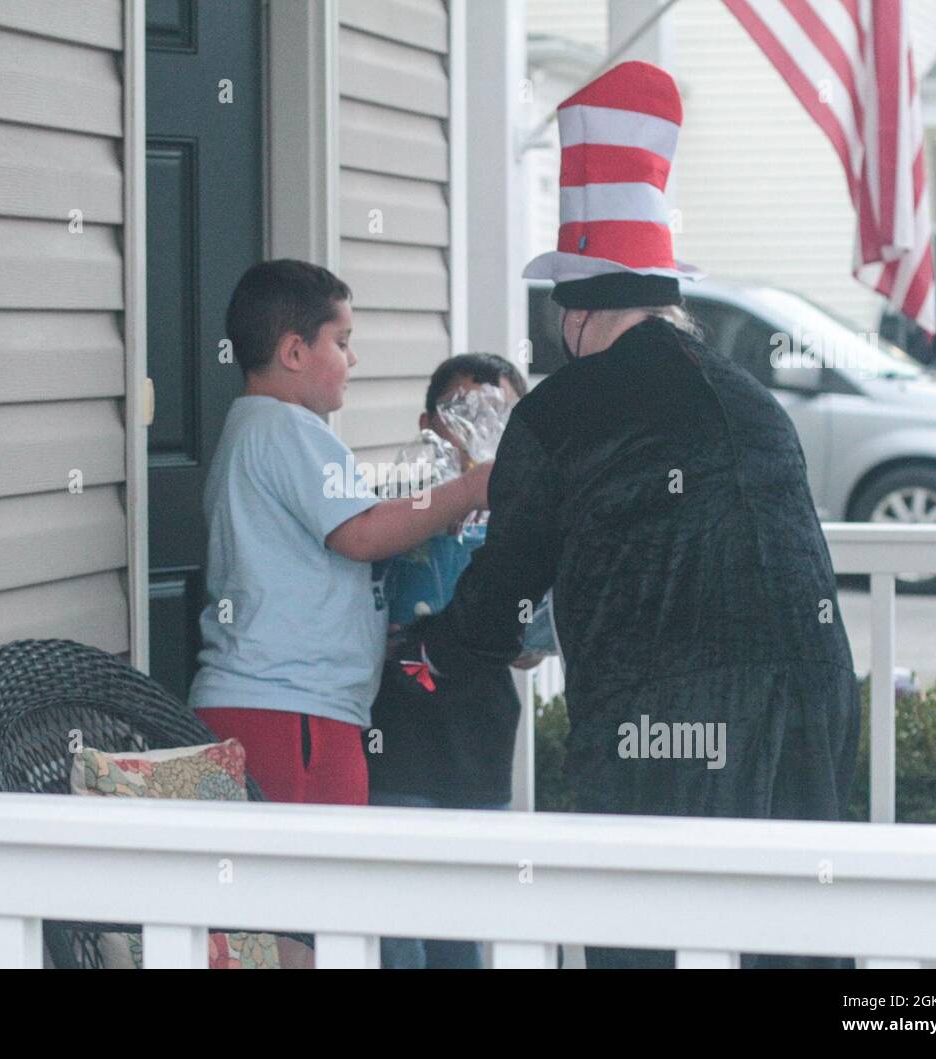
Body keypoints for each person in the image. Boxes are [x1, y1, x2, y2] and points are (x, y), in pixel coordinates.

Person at [400, 62, 860, 969]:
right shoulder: (750, 398)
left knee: (639, 934)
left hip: (667, 724)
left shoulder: (560, 411)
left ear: (574, 308)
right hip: (816, 699)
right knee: (794, 944)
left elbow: (497, 600)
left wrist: (428, 649)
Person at [188, 260, 492, 808]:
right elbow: (363, 534)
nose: (352, 359)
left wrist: (430, 513)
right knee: (310, 886)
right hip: (287, 710)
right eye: (342, 341)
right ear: (295, 352)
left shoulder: (259, 429)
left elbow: (366, 522)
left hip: (284, 708)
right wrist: (471, 489)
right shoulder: (286, 427)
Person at [366, 354, 552, 970]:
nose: (479, 433)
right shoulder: (399, 509)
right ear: (428, 425)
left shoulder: (518, 524)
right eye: (463, 416)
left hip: (478, 750)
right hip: (399, 747)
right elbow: (383, 609)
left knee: (460, 931)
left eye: (498, 417)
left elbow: (532, 646)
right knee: (398, 929)